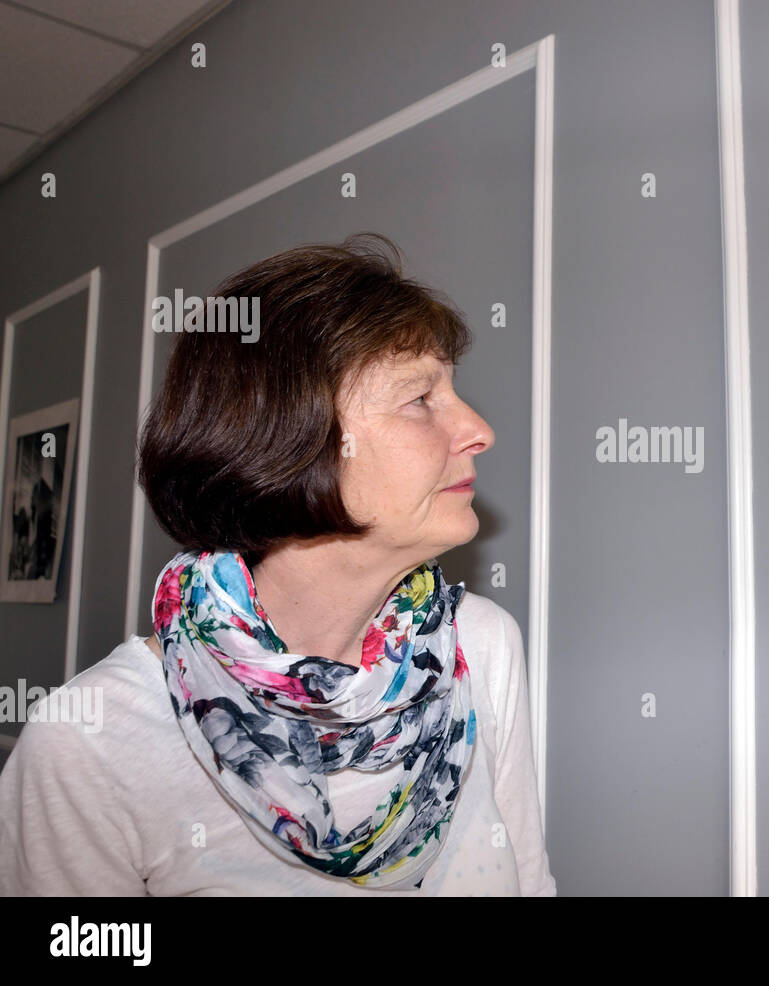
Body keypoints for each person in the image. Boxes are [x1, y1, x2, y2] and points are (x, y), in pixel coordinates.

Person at [0, 233, 556, 896]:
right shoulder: (92, 741)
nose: (478, 429)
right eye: (420, 399)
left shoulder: (482, 646)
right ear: (291, 438)